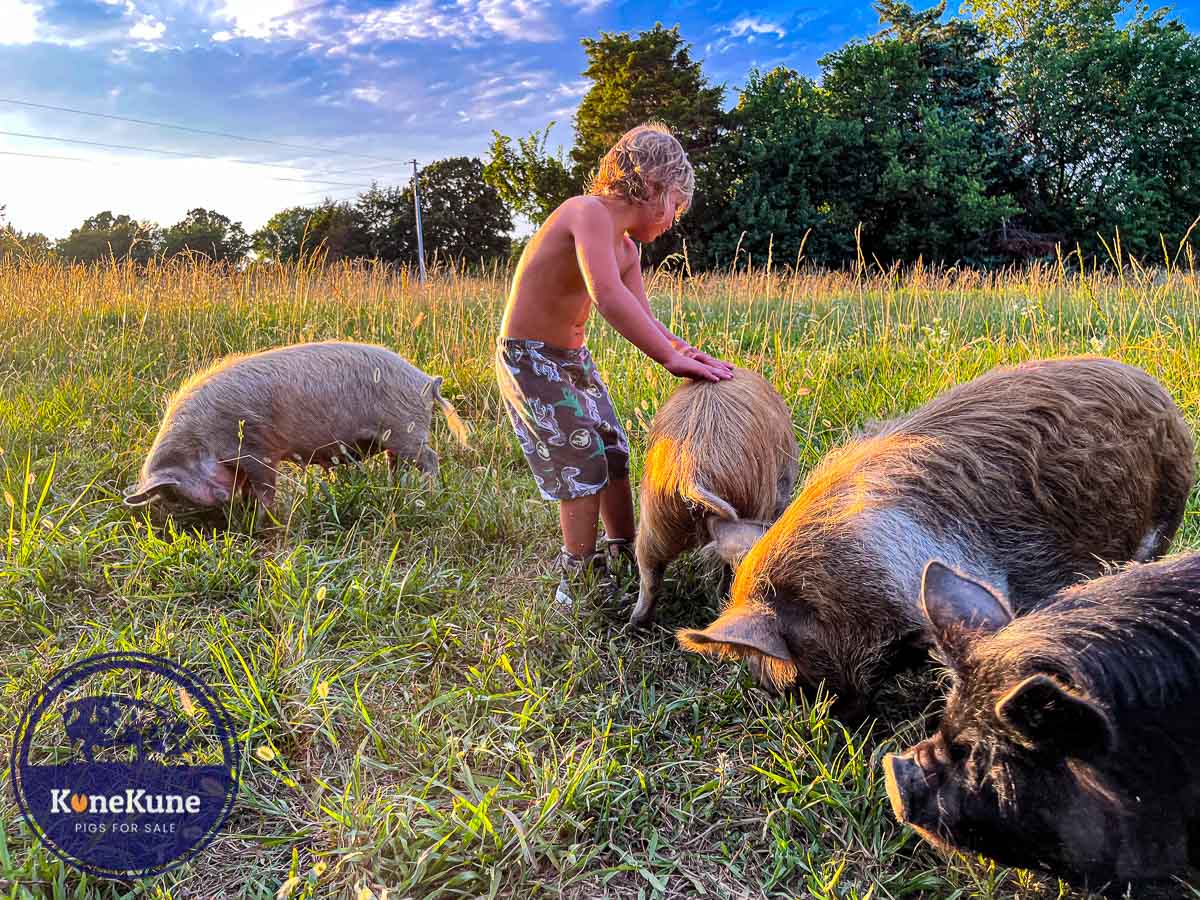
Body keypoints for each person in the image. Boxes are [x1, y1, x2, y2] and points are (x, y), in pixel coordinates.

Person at [495, 122, 733, 608]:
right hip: (529, 359)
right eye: (676, 205)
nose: (675, 219)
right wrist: (668, 359)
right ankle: (577, 578)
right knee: (581, 457)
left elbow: (643, 314)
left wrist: (685, 350)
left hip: (570, 359)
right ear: (652, 187)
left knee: (612, 447)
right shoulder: (585, 214)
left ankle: (625, 553)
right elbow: (606, 297)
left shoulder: (628, 248)